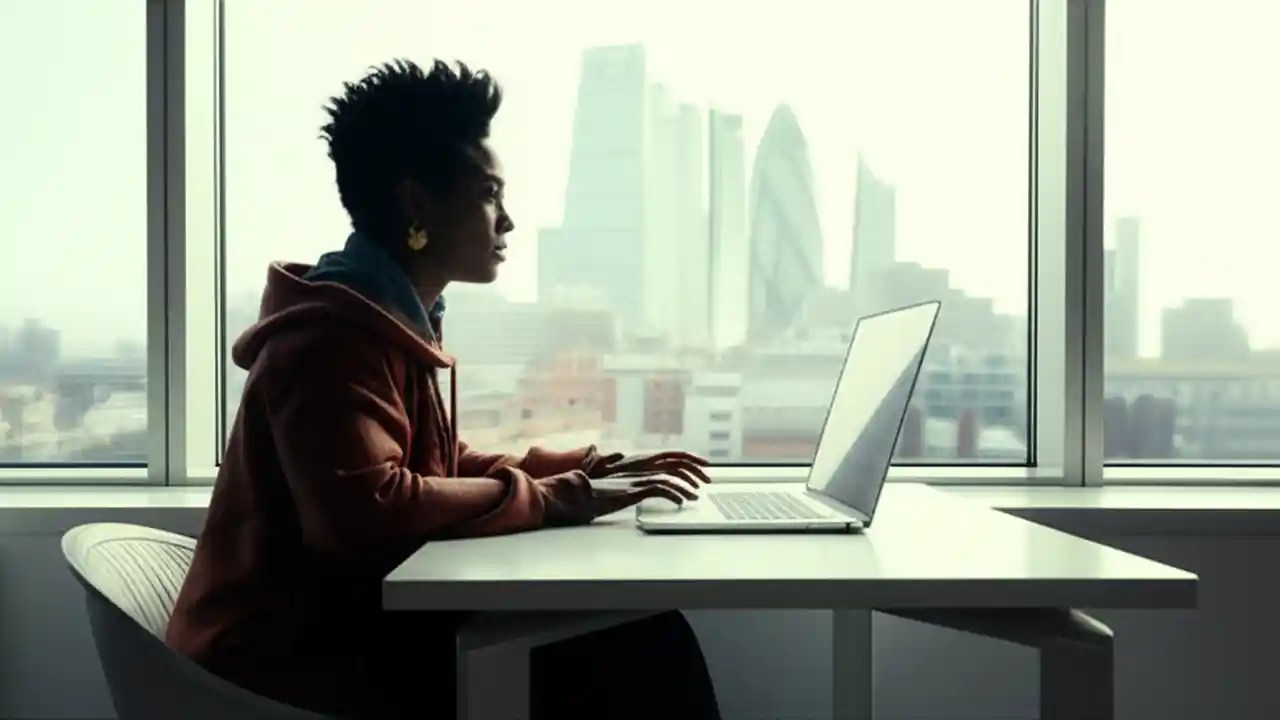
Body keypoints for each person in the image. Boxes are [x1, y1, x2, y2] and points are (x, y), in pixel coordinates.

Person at [166, 58, 722, 720]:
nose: (508, 220)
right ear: (416, 204)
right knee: (641, 646)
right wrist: (552, 499)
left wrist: (585, 470)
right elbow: (370, 507)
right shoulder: (329, 341)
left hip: (346, 628)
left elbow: (436, 466)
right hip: (284, 664)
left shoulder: (381, 319)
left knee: (635, 637)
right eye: (489, 193)